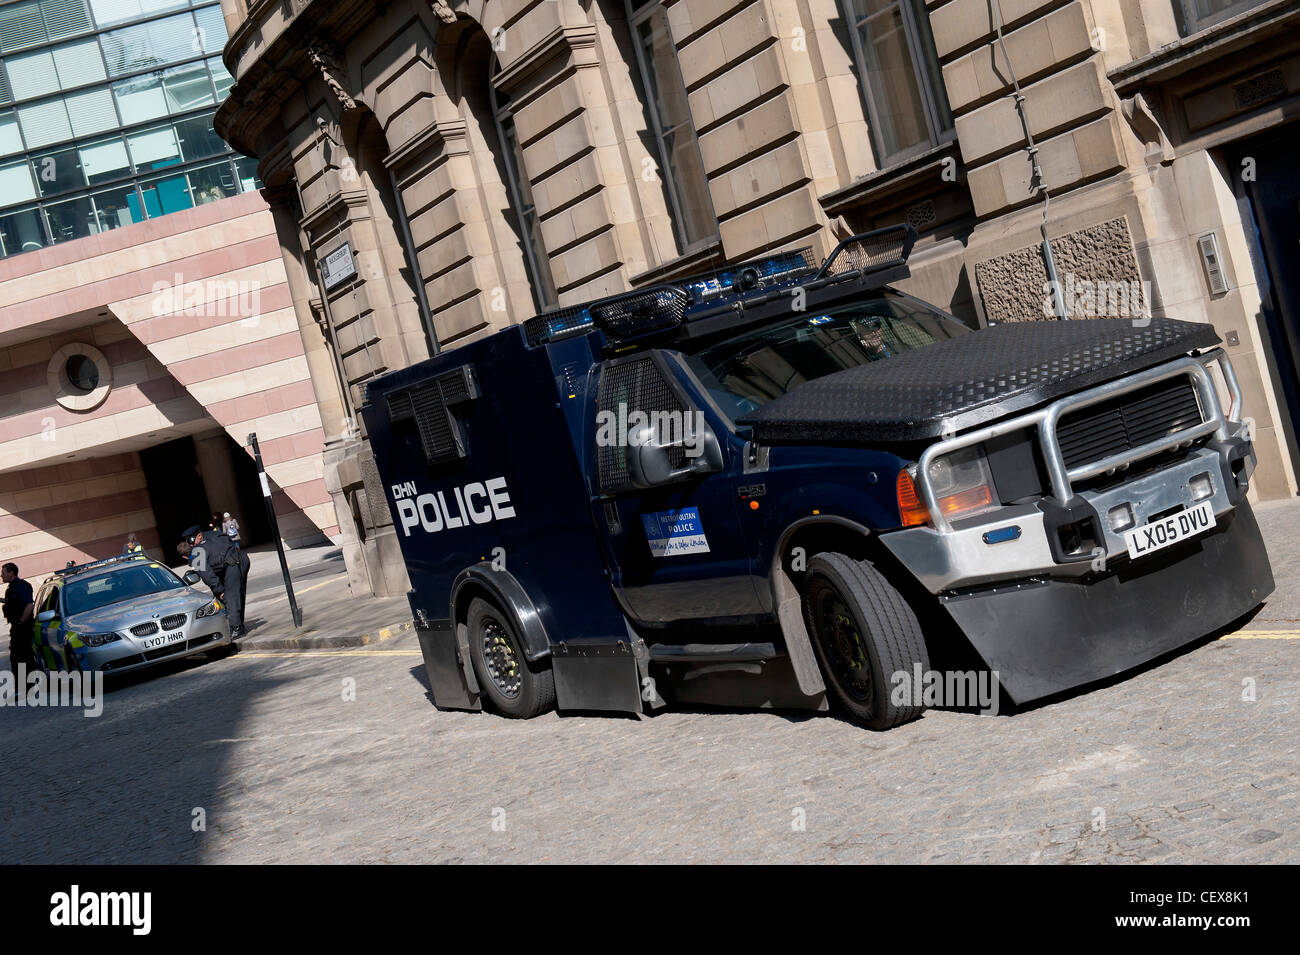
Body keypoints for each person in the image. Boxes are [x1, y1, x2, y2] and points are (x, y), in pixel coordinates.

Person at [177, 525, 251, 640]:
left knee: (230, 595)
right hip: (241, 559)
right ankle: (238, 624)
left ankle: (237, 628)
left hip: (231, 565)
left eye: (191, 540)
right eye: (188, 541)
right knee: (238, 593)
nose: (190, 544)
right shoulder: (214, 534)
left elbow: (207, 575)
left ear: (199, 535)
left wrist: (219, 590)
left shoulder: (196, 551)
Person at [2, 562, 36, 675]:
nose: (1, 576)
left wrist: (21, 622)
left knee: (22, 658)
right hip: (17, 628)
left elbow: (29, 605)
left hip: (23, 629)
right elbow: (14, 603)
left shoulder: (21, 585)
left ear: (11, 573)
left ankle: (26, 686)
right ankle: (23, 686)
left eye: (3, 573)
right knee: (17, 659)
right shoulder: (12, 587)